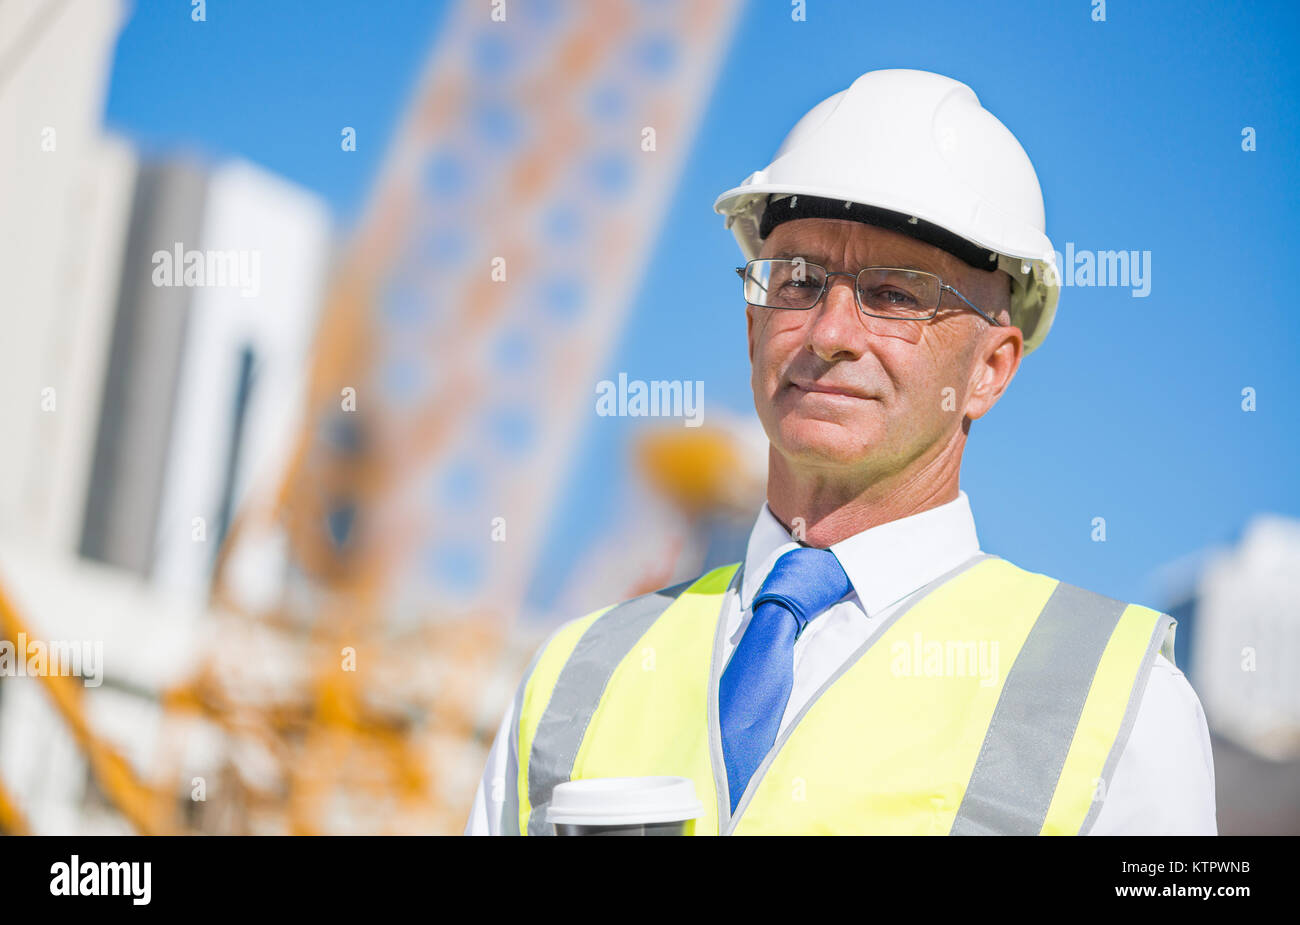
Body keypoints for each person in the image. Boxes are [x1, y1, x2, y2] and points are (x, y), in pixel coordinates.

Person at [464, 69, 1216, 835]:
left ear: (989, 370)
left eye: (895, 294)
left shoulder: (1119, 709)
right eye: (797, 281)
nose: (828, 334)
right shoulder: (572, 679)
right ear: (753, 327)